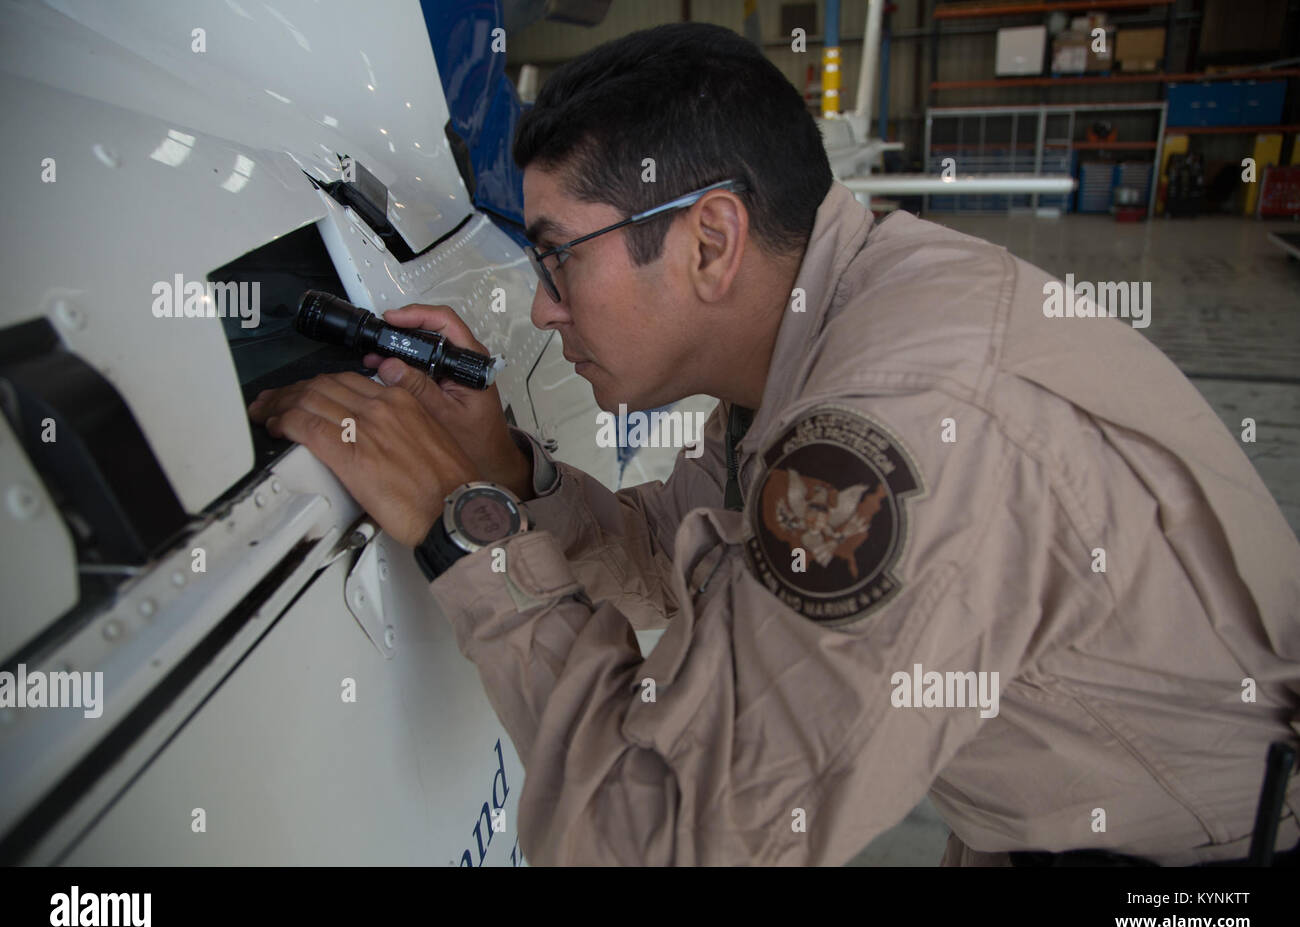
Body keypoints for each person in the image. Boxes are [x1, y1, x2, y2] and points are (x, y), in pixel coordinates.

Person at [247, 22, 1300, 866]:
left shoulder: (895, 430)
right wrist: (502, 470)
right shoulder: (836, 314)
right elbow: (674, 554)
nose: (545, 308)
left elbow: (657, 836)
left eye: (561, 259)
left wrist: (464, 527)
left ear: (710, 239)